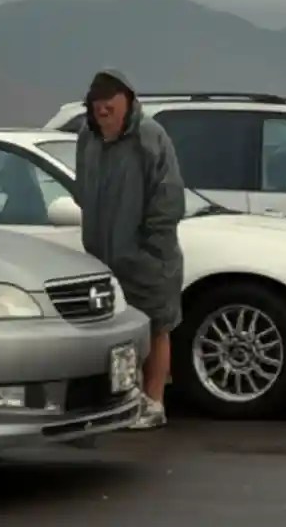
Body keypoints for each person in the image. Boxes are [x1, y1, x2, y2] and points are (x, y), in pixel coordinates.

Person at [74, 69, 186, 430]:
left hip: (147, 254)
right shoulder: (86, 139)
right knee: (118, 331)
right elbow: (82, 191)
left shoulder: (149, 136)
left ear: (128, 102)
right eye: (97, 106)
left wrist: (150, 247)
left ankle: (154, 402)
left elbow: (168, 198)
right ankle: (125, 398)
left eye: (110, 105)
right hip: (103, 255)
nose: (103, 112)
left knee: (156, 325)